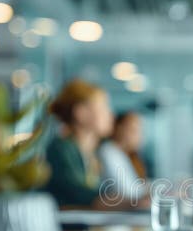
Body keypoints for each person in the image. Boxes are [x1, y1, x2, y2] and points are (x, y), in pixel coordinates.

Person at [44, 78, 133, 209]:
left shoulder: (90, 152)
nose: (111, 114)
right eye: (103, 107)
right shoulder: (61, 149)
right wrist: (133, 202)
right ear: (81, 113)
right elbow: (80, 196)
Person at [99, 111, 149, 203]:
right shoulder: (108, 152)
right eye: (134, 130)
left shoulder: (122, 154)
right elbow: (125, 192)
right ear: (119, 129)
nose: (139, 137)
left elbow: (135, 189)